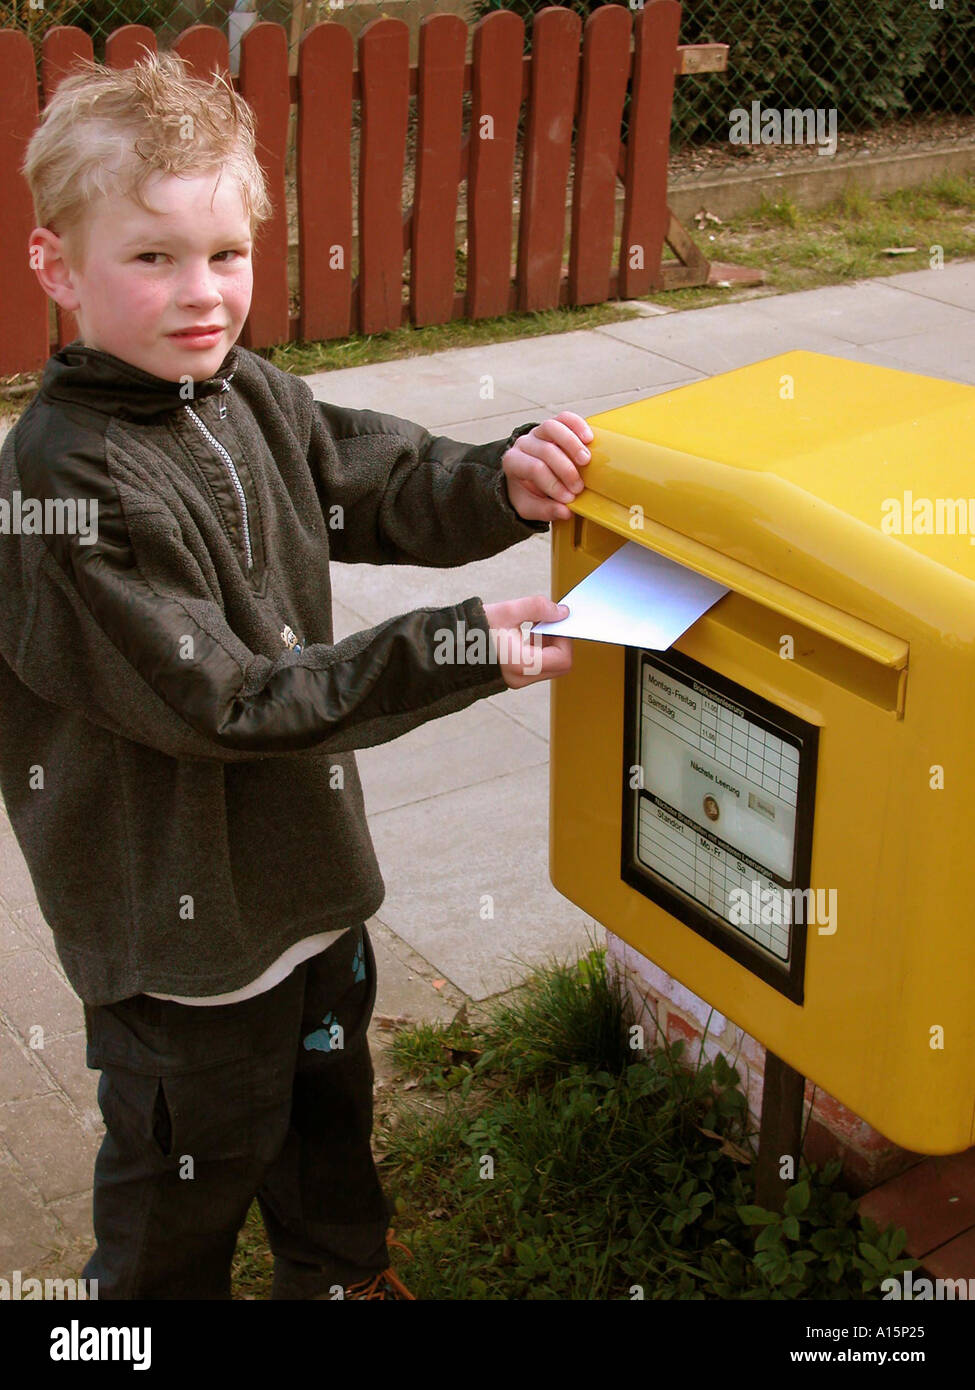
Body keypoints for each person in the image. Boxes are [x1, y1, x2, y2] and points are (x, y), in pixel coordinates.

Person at [0, 49, 592, 1299]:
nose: (202, 294)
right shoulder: (60, 487)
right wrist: (456, 643)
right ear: (57, 266)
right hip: (188, 943)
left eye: (226, 253)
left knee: (328, 1127)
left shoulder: (239, 392)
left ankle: (343, 1280)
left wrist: (499, 479)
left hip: (311, 887)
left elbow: (365, 478)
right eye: (152, 257)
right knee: (185, 1188)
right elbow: (223, 697)